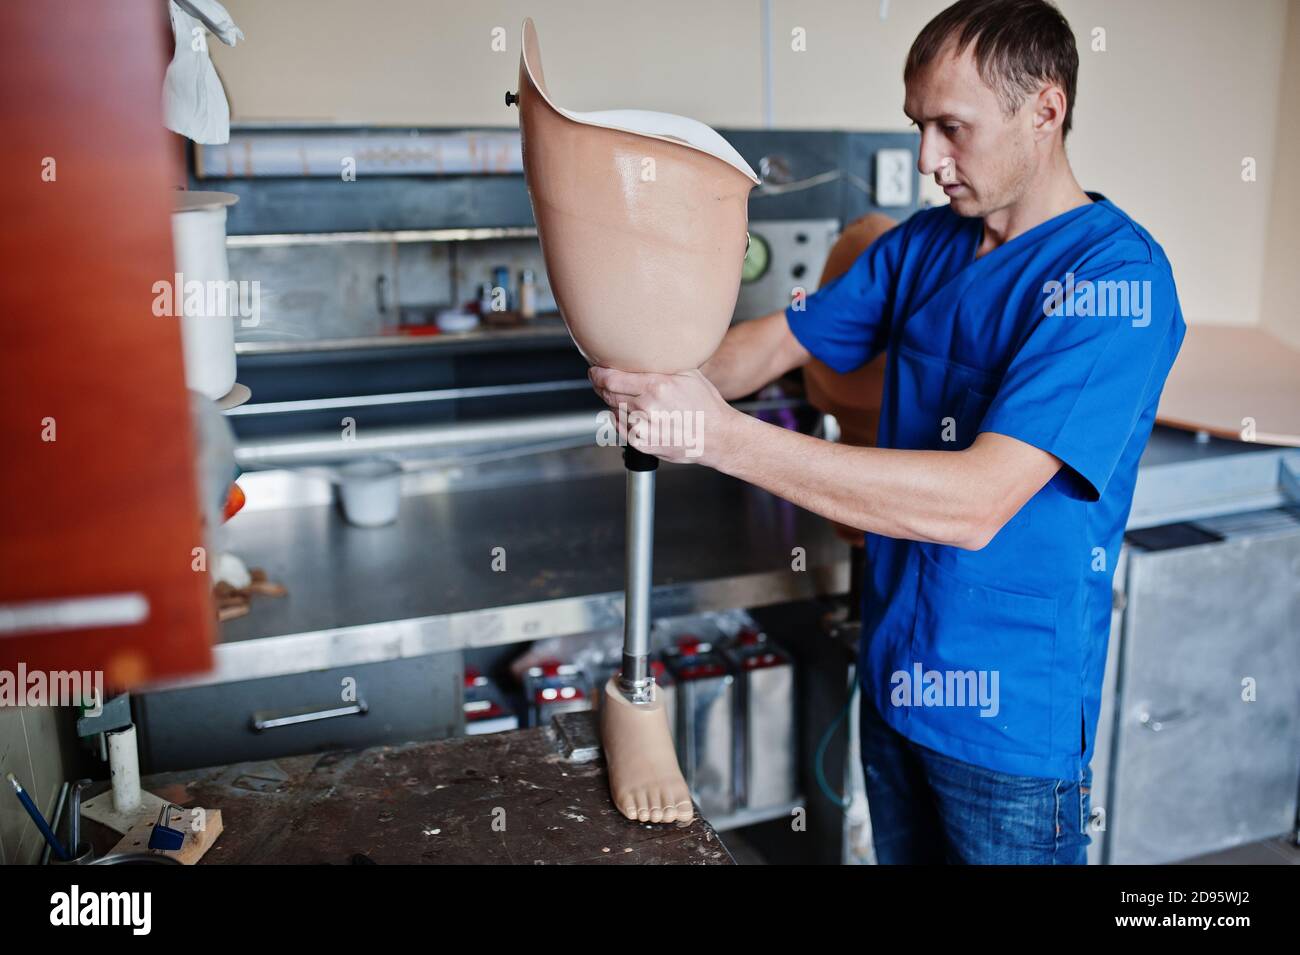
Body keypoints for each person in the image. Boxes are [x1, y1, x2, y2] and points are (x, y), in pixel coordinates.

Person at [589, 0, 1186, 863]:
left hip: (1009, 726)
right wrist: (638, 369)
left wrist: (718, 437)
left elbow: (977, 503)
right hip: (896, 673)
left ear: (1045, 111)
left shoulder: (1113, 283)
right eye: (917, 127)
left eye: (951, 128)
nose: (924, 161)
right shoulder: (925, 247)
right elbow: (771, 345)